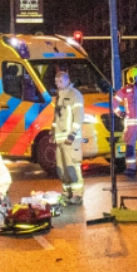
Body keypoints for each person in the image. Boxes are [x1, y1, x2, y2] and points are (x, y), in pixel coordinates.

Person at [52, 71, 85, 204]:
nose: (58, 84)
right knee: (61, 169)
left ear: (67, 80)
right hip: (60, 139)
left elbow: (79, 116)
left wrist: (72, 134)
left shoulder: (74, 95)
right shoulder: (59, 96)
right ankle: (66, 193)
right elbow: (57, 117)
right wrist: (52, 132)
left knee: (72, 167)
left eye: (60, 81)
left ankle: (77, 195)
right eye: (56, 82)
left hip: (71, 140)